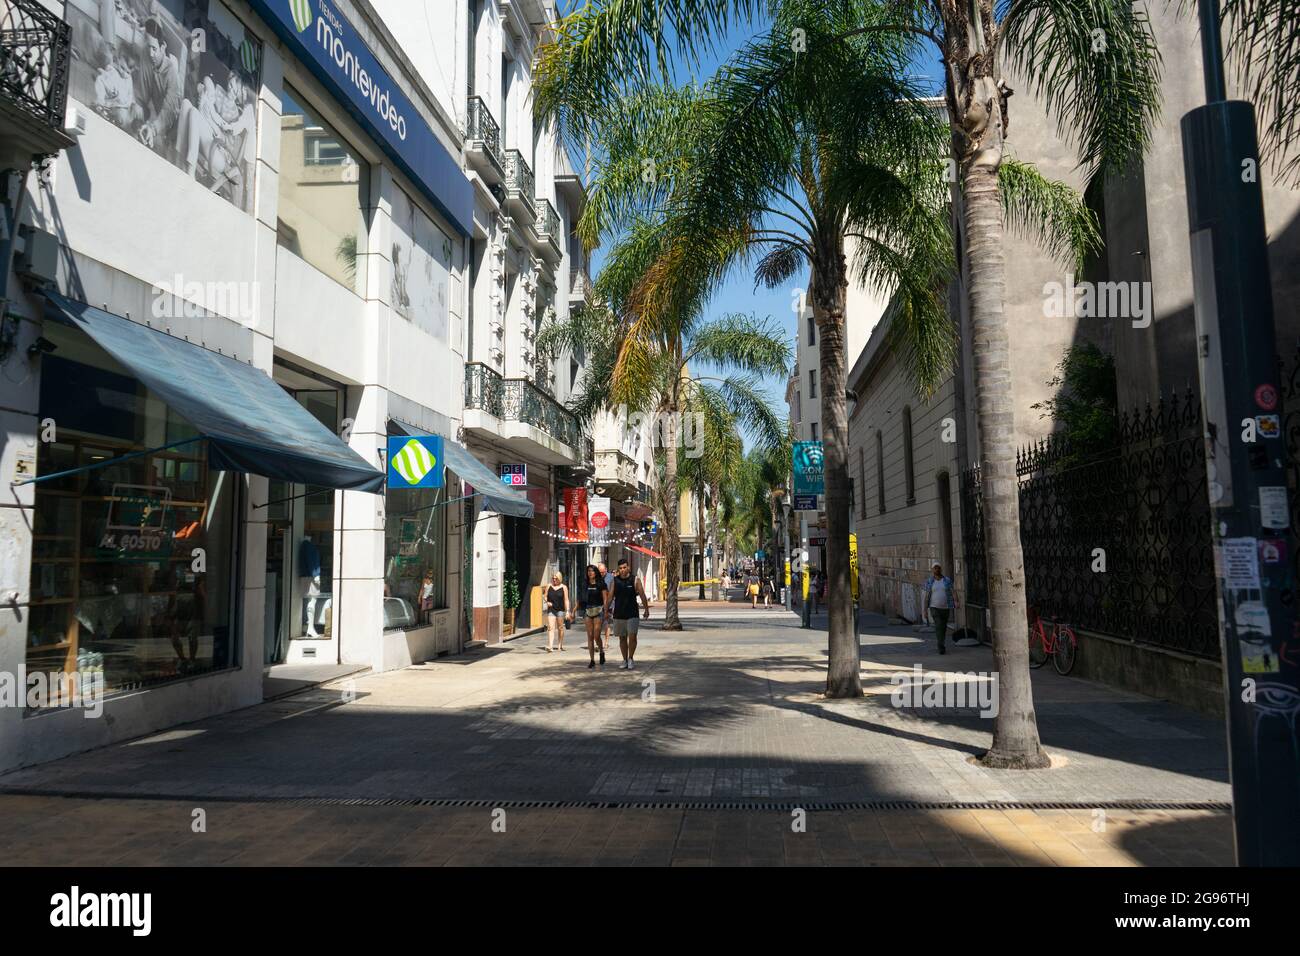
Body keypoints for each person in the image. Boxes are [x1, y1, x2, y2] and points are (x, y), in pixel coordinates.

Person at [136, 18, 181, 154]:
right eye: (149, 47)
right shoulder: (146, 53)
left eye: (154, 49)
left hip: (172, 124)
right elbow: (142, 95)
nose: (151, 53)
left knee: (157, 146)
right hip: (154, 116)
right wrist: (138, 113)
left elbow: (169, 111)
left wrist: (154, 128)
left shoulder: (171, 72)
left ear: (163, 47)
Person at [609, 558, 650, 669]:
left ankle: (631, 658)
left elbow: (642, 595)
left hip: (632, 613)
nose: (622, 570)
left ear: (628, 568)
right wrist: (605, 610)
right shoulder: (615, 581)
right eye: (620, 568)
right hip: (619, 613)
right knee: (622, 638)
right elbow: (610, 597)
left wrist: (646, 610)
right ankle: (624, 660)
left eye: (624, 567)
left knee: (632, 637)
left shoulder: (635, 580)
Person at [577, 564, 609, 669]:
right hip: (588, 609)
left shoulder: (601, 584)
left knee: (596, 635)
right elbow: (581, 597)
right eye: (588, 571)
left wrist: (605, 611)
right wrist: (574, 610)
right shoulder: (585, 584)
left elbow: (605, 598)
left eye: (592, 571)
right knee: (589, 636)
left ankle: (601, 652)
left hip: (598, 609)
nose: (590, 572)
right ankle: (592, 660)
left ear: (596, 572)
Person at [923, 563, 957, 655]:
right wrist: (925, 610)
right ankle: (940, 646)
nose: (936, 570)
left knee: (943, 627)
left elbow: (953, 591)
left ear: (940, 569)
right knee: (939, 625)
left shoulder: (947, 580)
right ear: (932, 570)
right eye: (935, 568)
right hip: (934, 607)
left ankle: (941, 643)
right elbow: (926, 597)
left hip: (946, 607)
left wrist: (956, 601)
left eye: (938, 568)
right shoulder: (930, 581)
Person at [544, 571, 571, 652]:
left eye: (556, 578)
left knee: (560, 628)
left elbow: (566, 600)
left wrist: (567, 611)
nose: (554, 580)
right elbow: (545, 596)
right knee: (550, 628)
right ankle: (550, 646)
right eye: (553, 578)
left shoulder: (564, 587)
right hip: (551, 609)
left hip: (560, 610)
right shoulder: (549, 586)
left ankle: (560, 645)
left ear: (560, 579)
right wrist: (547, 602)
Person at [599, 562, 614, 649]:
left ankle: (606, 642)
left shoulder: (611, 578)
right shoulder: (595, 577)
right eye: (599, 572)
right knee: (598, 624)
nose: (601, 574)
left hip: (608, 604)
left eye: (602, 572)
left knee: (606, 623)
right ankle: (598, 641)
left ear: (606, 570)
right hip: (598, 604)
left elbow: (612, 593)